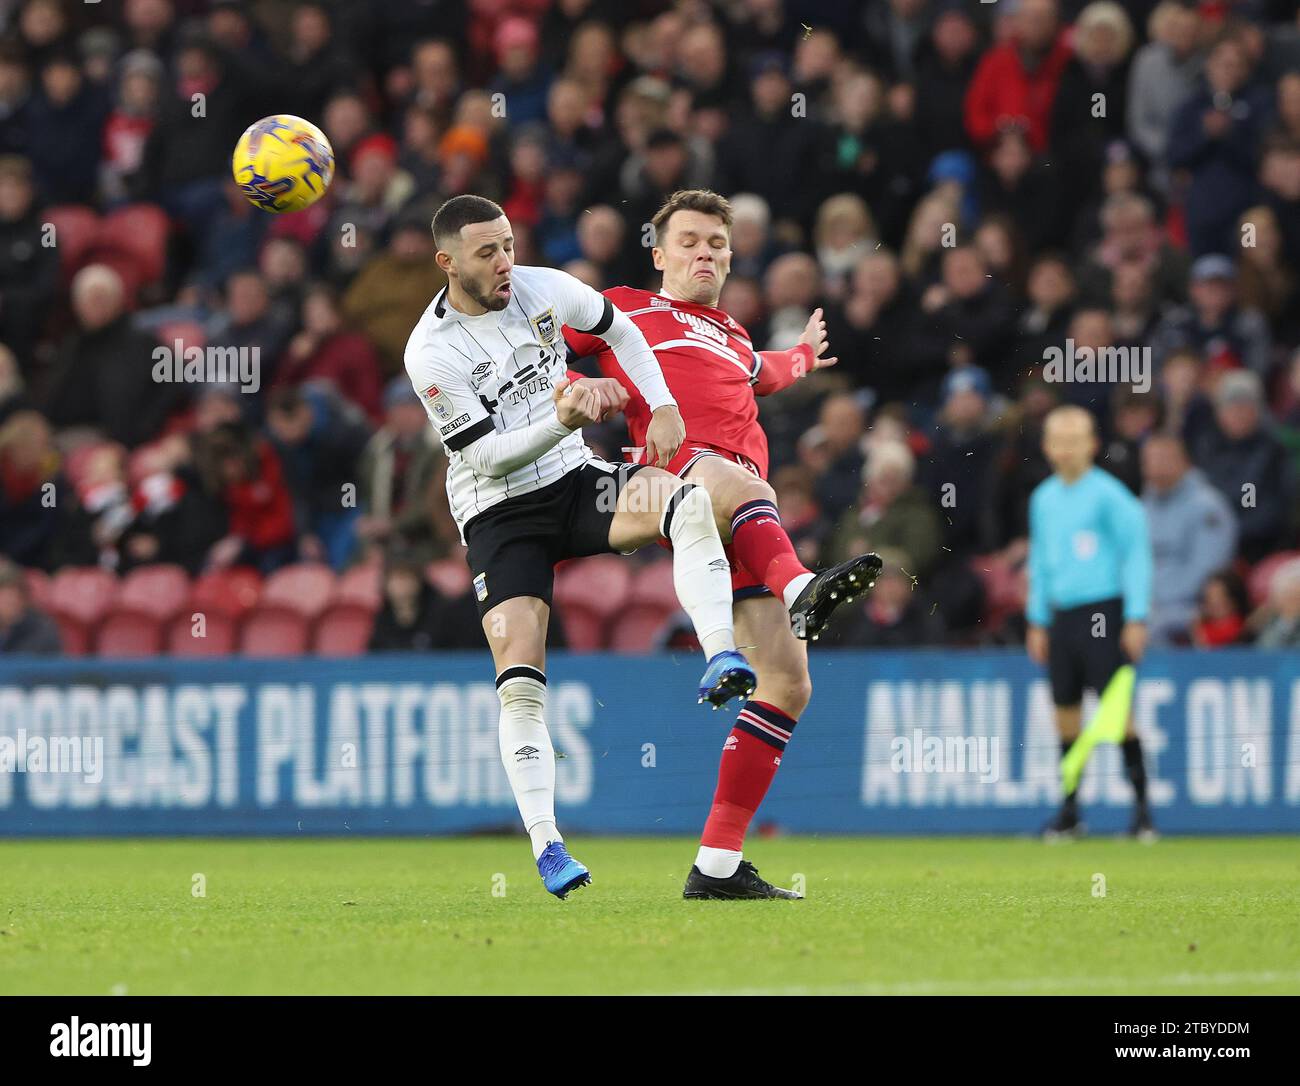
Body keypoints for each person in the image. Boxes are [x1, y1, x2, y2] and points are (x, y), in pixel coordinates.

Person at [405, 194, 756, 901]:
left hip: (572, 484)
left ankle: (719, 653)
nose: (504, 262)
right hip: (500, 514)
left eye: (507, 244)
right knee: (522, 679)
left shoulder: (543, 286)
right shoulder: (431, 353)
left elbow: (622, 330)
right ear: (446, 263)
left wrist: (661, 406)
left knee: (685, 504)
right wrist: (564, 416)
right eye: (486, 253)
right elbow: (491, 459)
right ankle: (547, 844)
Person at [565, 188, 881, 900]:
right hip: (673, 475)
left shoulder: (733, 335)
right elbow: (539, 348)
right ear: (658, 253)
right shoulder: (624, 309)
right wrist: (577, 391)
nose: (704, 253)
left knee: (789, 684)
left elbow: (764, 373)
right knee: (734, 478)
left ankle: (716, 867)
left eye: (716, 244)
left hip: (740, 517)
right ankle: (803, 586)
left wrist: (802, 356)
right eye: (689, 241)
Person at [1026, 406, 1155, 839]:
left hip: (1103, 610)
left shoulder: (1112, 497)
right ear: (1046, 447)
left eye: (1074, 439)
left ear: (1092, 444)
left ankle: (1141, 812)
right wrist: (1037, 620)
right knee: (1065, 714)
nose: (1064, 448)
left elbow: (1136, 556)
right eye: (1057, 440)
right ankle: (1070, 811)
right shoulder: (1042, 499)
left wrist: (1136, 616)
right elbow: (1041, 563)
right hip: (1062, 615)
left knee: (1117, 713)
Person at [1141, 433, 1237, 646]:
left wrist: (1159, 603)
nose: (1156, 466)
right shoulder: (1141, 507)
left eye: (1164, 458)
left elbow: (1208, 569)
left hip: (1190, 607)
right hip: (1146, 605)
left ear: (1184, 461)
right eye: (1150, 460)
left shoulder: (1208, 507)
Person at [0, 556, 60, 654]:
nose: (12, 601)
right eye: (4, 596)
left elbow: (23, 664)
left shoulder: (41, 630)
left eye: (17, 595)